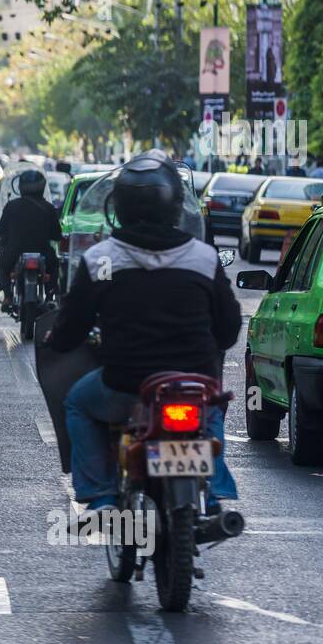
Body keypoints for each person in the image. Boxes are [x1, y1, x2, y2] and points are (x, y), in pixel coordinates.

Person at [48, 151, 241, 513]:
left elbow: (71, 327)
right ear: (176, 205)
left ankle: (101, 496)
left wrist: (56, 340)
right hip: (195, 380)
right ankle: (213, 494)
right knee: (211, 407)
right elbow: (229, 329)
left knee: (77, 403)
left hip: (125, 383)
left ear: (118, 205)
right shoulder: (203, 257)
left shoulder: (102, 258)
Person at [0, 169, 60, 315]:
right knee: (55, 266)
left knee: (1, 265)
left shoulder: (12, 206)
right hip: (43, 251)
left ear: (21, 187)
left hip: (15, 251)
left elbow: (0, 229)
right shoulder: (49, 208)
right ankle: (50, 296)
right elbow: (57, 235)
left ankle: (7, 296)